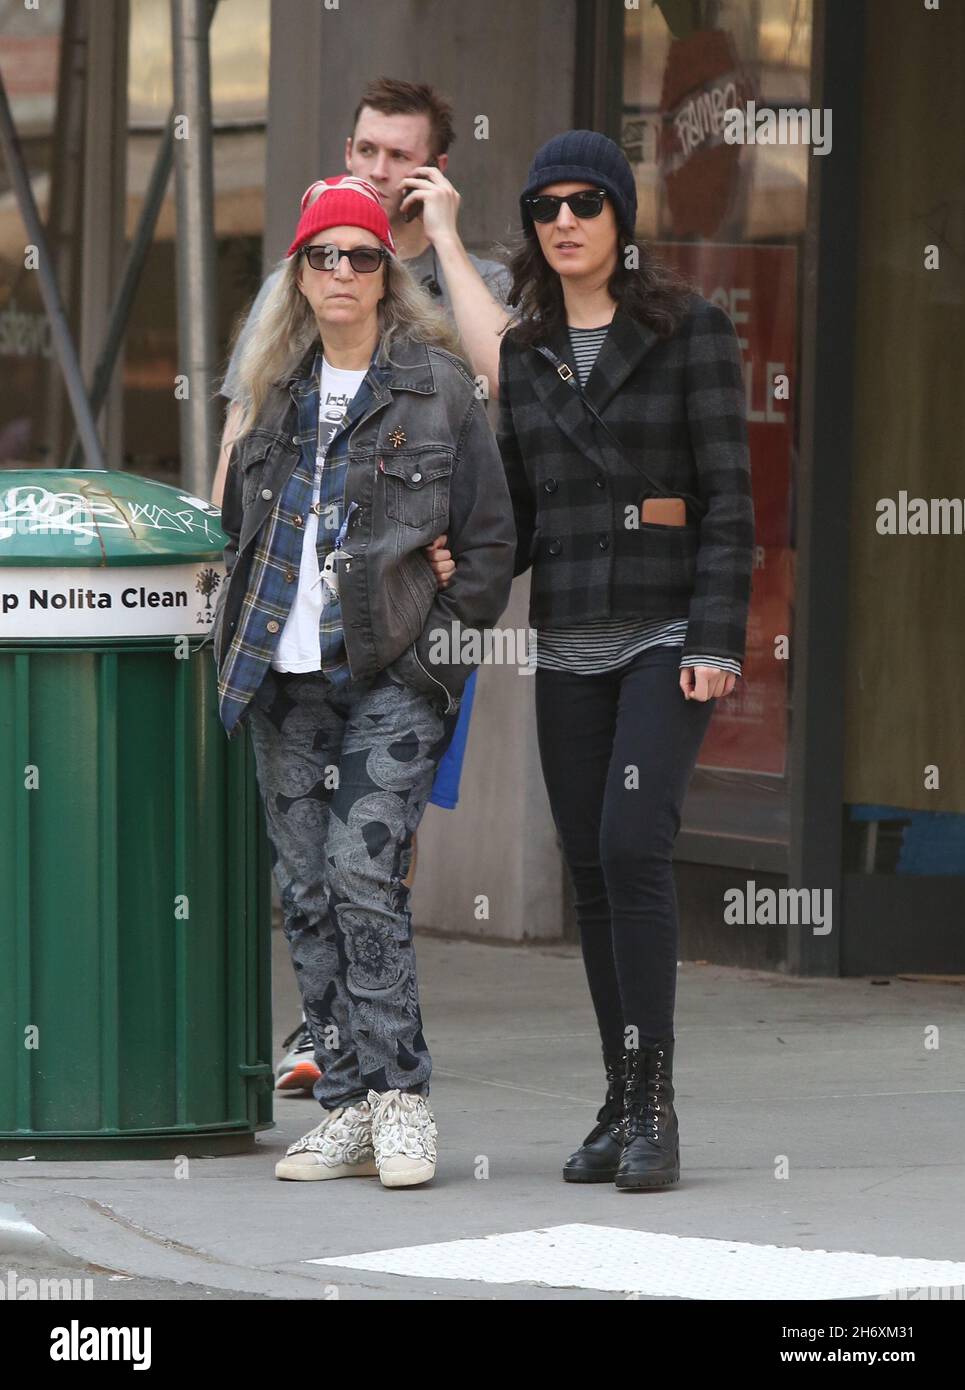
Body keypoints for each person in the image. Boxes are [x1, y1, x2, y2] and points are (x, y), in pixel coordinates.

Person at [430, 131, 754, 1190]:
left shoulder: (690, 332)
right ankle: (618, 1094)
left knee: (629, 843)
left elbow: (729, 505)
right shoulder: (521, 356)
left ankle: (655, 1102)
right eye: (544, 207)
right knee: (589, 872)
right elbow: (519, 514)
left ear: (619, 218)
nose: (562, 221)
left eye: (583, 202)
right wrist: (453, 561)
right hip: (566, 640)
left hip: (664, 634)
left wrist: (713, 636)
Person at [210, 176, 515, 1187]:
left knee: (357, 871)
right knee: (303, 890)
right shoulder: (275, 390)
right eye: (321, 256)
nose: (341, 272)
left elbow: (489, 540)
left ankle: (403, 1100)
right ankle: (343, 1101)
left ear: (389, 272)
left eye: (362, 255)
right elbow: (238, 529)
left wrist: (440, 620)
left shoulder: (436, 388)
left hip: (388, 670)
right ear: (298, 274)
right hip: (281, 675)